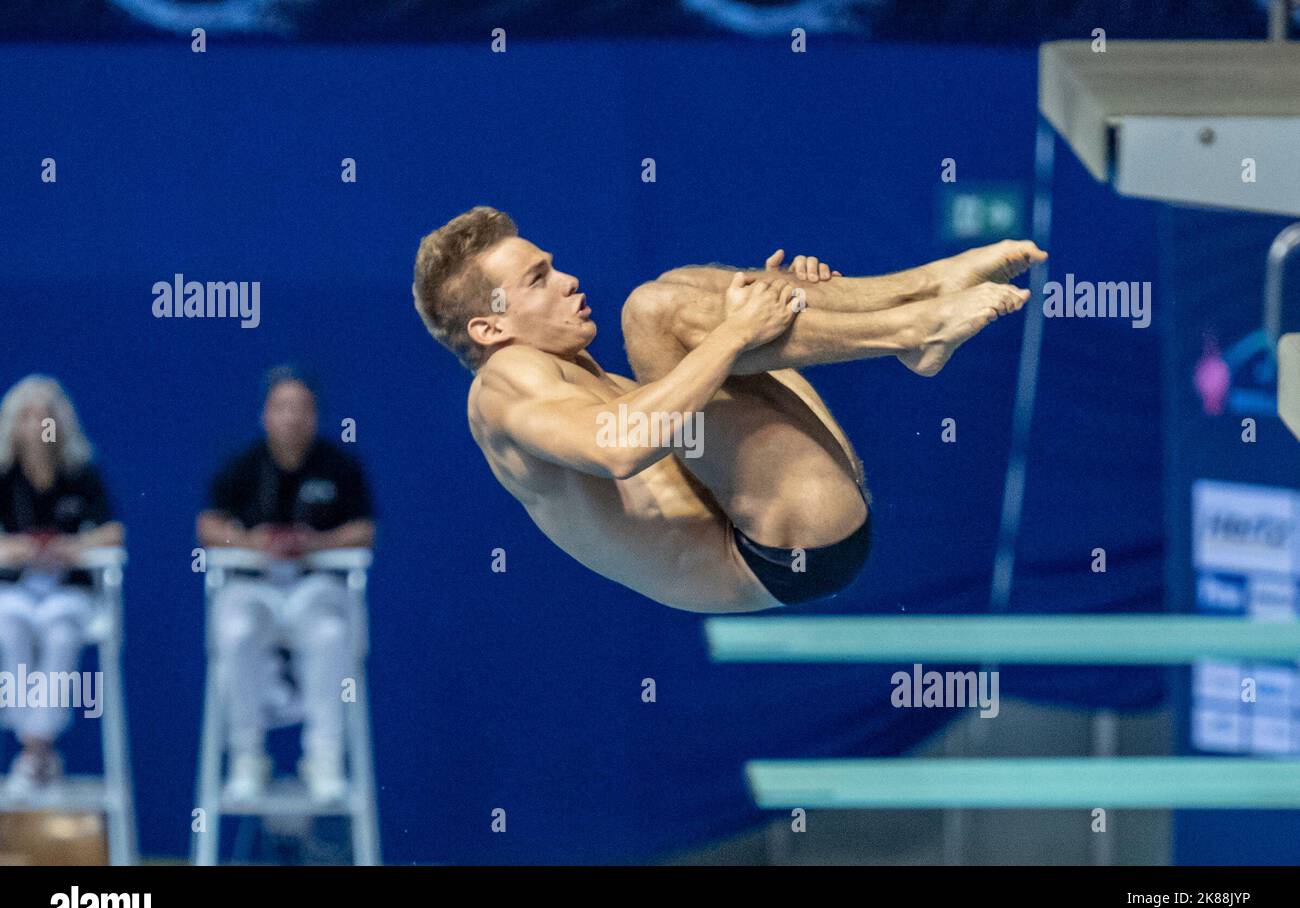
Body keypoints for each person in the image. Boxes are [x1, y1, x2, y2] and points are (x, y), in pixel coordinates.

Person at [413, 206, 1044, 613]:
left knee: (690, 287)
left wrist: (783, 304)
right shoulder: (503, 384)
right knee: (653, 311)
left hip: (805, 515)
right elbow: (620, 449)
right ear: (489, 329)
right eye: (538, 279)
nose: (569, 280)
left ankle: (922, 296)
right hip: (777, 552)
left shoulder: (576, 372)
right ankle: (915, 325)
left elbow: (693, 417)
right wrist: (739, 333)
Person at [196, 366, 375, 802]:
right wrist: (251, 542)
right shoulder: (241, 465)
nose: (291, 417)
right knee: (236, 634)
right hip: (253, 587)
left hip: (314, 587)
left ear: (314, 416)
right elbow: (207, 525)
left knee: (332, 634)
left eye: (301, 408)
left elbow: (364, 531)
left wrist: (315, 543)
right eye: (282, 407)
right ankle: (246, 757)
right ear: (266, 414)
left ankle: (324, 758)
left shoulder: (340, 468)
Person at [0, 375, 124, 794]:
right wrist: (18, 548)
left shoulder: (81, 474)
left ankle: (36, 748)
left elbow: (112, 533)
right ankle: (35, 747)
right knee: (9, 623)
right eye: (28, 415)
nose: (38, 424)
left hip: (67, 592)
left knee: (60, 626)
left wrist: (71, 546)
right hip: (16, 590)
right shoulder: (4, 477)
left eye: (46, 415)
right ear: (13, 424)